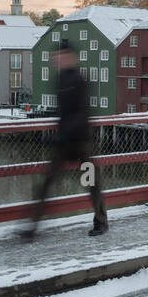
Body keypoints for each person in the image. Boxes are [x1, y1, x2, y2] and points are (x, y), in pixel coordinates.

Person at [22, 40, 107, 240]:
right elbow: (63, 111)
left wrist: (63, 133)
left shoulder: (80, 79)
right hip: (64, 142)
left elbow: (82, 111)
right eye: (56, 57)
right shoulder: (59, 79)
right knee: (47, 182)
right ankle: (32, 227)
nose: (58, 60)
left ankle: (101, 222)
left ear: (71, 57)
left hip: (81, 141)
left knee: (91, 182)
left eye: (61, 56)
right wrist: (59, 134)